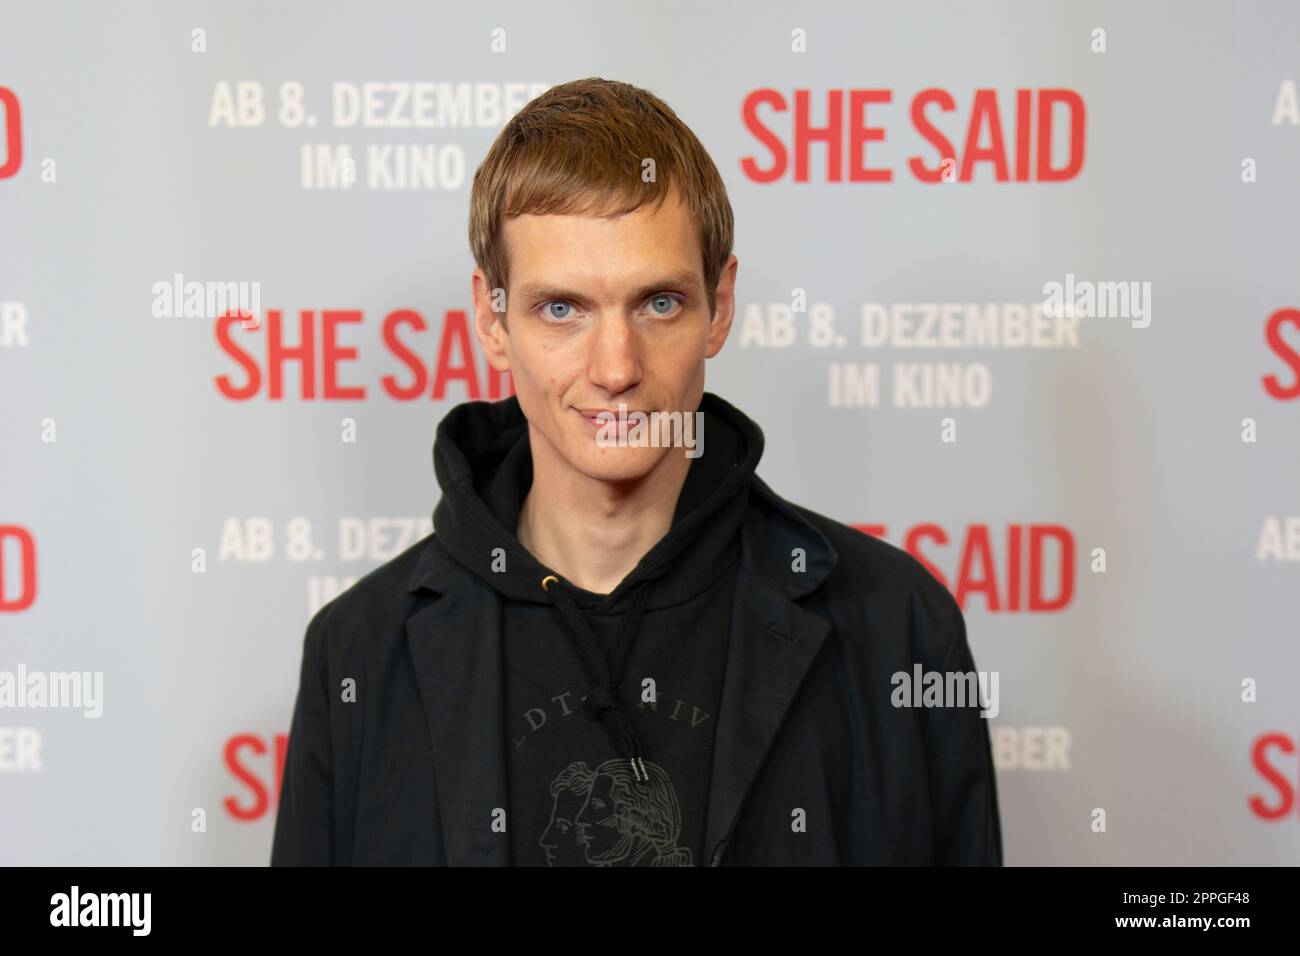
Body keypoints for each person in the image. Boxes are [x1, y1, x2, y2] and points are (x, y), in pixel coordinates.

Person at [271, 76, 1002, 867]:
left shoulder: (897, 628)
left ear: (719, 305)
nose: (615, 367)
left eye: (658, 304)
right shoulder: (359, 651)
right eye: (562, 309)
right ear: (491, 319)